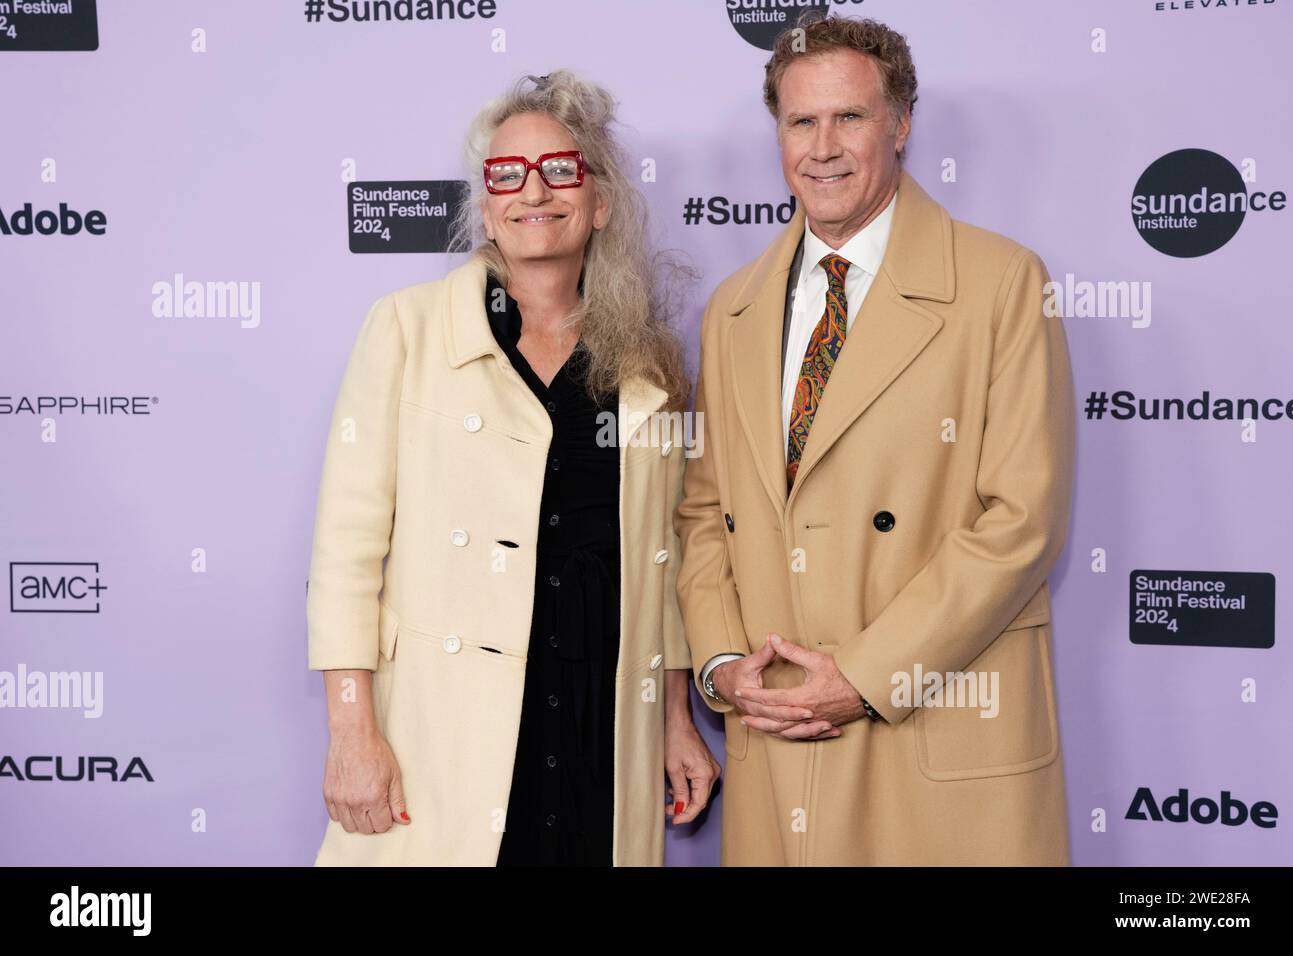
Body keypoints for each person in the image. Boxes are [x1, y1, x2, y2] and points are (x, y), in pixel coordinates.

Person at [674, 15, 1076, 865]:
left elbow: (1021, 519)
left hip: (936, 726)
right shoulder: (733, 309)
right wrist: (719, 667)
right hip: (779, 737)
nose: (824, 147)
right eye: (800, 121)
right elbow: (704, 514)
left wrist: (861, 676)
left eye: (849, 118)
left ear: (900, 124)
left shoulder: (1001, 283)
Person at [307, 70, 718, 866]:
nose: (535, 191)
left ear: (599, 201)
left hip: (602, 722)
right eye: (508, 174)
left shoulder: (650, 364)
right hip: (446, 733)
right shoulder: (407, 331)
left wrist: (673, 717)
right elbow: (345, 552)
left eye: (560, 169)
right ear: (487, 206)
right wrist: (352, 732)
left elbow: (661, 563)